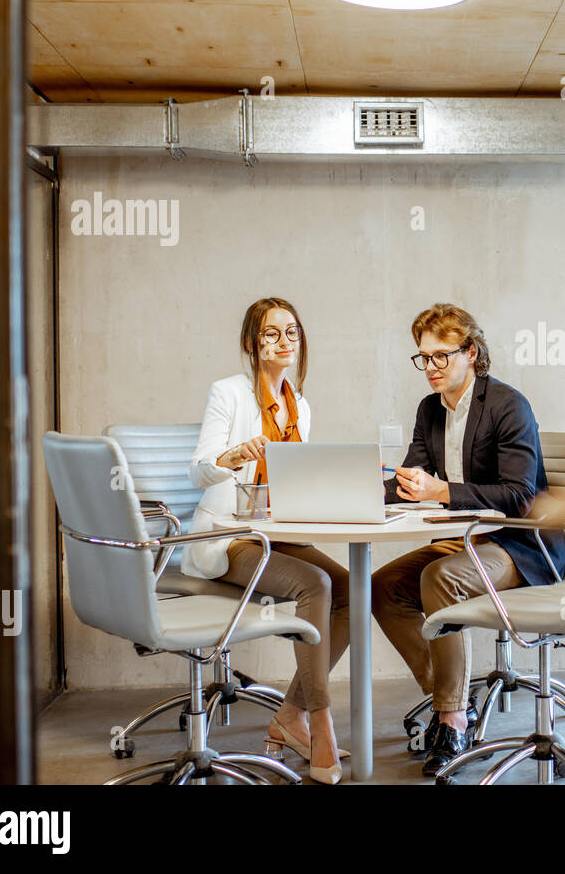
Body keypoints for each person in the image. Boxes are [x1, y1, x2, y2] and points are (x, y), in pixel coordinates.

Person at [371, 303, 565, 777]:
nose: (431, 368)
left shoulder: (507, 404)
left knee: (440, 579)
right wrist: (353, 490)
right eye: (424, 358)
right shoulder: (429, 411)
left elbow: (520, 496)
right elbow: (410, 480)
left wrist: (442, 492)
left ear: (471, 353)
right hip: (467, 540)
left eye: (442, 356)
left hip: (522, 544)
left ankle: (453, 718)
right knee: (383, 588)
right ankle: (448, 697)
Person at [185, 297, 349, 784]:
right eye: (272, 333)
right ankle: (319, 722)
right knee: (316, 586)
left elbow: (293, 484)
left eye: (292, 332)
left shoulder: (302, 406)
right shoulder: (229, 393)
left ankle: (289, 715)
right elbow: (198, 471)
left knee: (353, 590)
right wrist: (233, 455)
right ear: (251, 344)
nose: (284, 341)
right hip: (230, 535)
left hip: (277, 532)